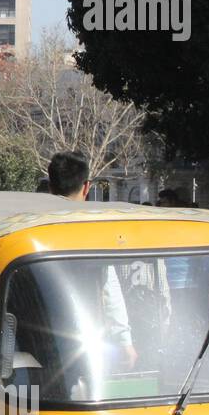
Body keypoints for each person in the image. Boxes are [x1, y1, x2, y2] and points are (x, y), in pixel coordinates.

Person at [48, 152, 138, 372]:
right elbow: (109, 289)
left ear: (50, 186)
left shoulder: (32, 228)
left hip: (42, 332)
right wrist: (124, 340)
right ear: (86, 187)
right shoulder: (92, 230)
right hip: (87, 336)